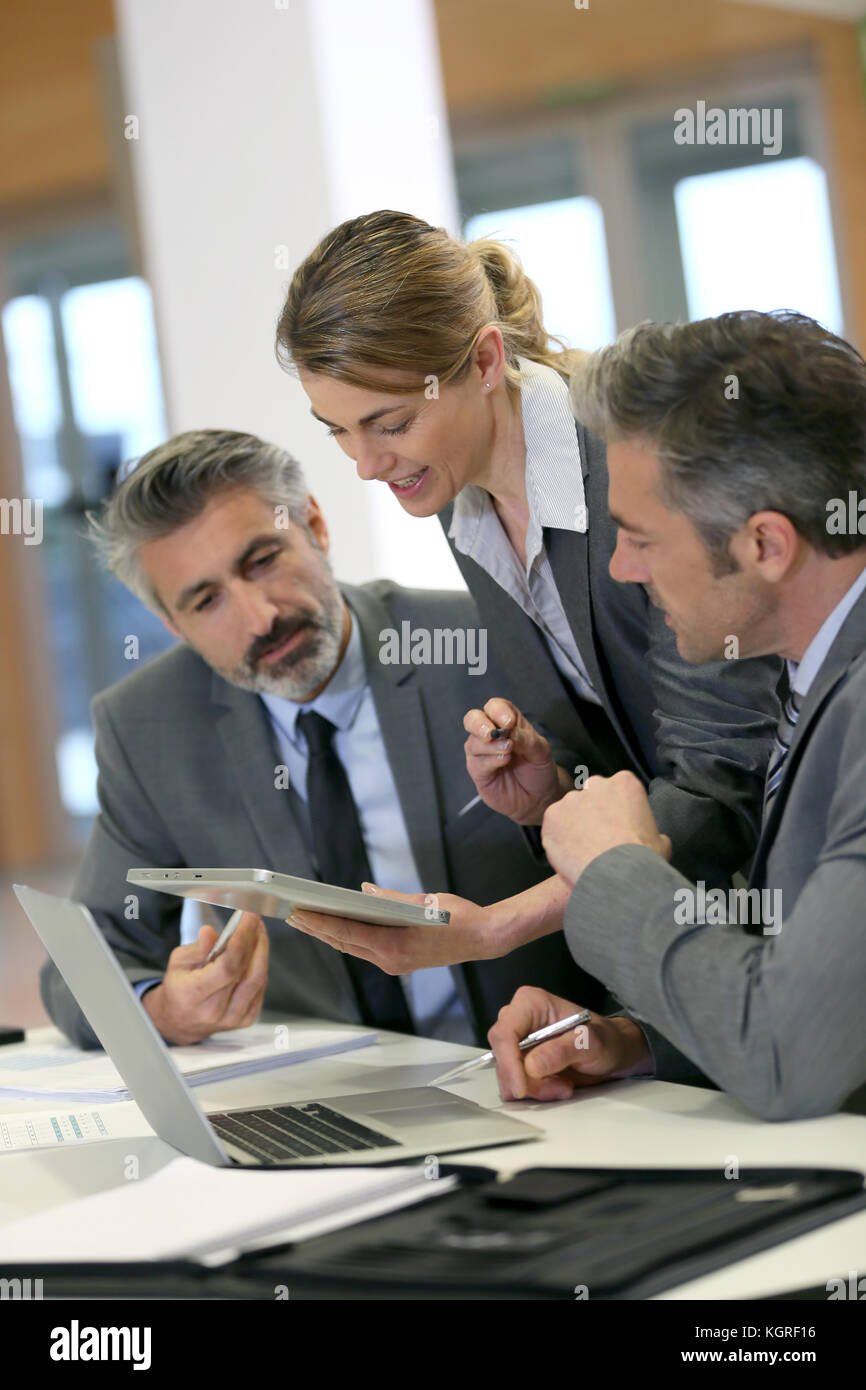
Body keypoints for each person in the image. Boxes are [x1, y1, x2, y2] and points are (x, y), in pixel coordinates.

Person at [271, 208, 781, 973]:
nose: (365, 465)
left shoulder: (643, 470)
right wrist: (551, 785)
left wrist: (495, 927)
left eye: (391, 423)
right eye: (336, 430)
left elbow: (719, 781)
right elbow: (625, 755)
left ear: (482, 362)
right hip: (691, 928)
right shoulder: (459, 500)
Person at [39, 429, 602, 1050]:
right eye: (206, 600)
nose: (261, 618)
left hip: (533, 1067)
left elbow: (632, 846)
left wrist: (548, 797)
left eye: (262, 561)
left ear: (314, 524)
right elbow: (79, 968)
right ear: (172, 624)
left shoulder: (486, 644)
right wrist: (166, 1010)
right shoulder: (148, 727)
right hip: (319, 1098)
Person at [484, 310, 866, 1121]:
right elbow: (832, 1005)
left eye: (640, 538)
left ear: (766, 544)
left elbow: (789, 1054)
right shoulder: (822, 675)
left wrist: (616, 866)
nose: (621, 569)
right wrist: (634, 1041)